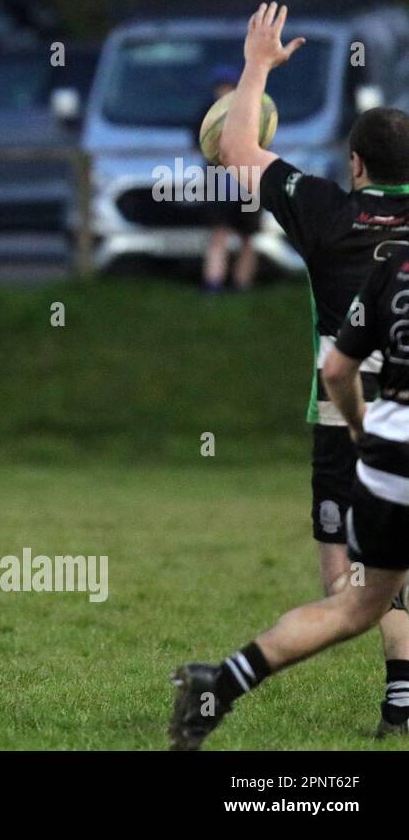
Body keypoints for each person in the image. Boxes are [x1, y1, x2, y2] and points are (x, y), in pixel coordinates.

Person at [169, 2, 409, 746]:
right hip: (395, 412)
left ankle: (394, 695)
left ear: (356, 167)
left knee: (358, 581)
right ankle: (399, 694)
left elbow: (238, 147)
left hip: (349, 412)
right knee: (377, 583)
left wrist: (258, 66)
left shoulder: (327, 211)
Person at [171, 251, 409, 749]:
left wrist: (361, 429)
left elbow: (338, 371)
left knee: (354, 608)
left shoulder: (391, 268)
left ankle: (220, 684)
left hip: (387, 463)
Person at [197, 66, 259, 292]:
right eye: (221, 87)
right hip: (219, 181)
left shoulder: (252, 111)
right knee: (218, 234)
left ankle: (242, 283)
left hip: (245, 181)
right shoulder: (207, 114)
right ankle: (214, 282)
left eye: (229, 87)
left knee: (248, 236)